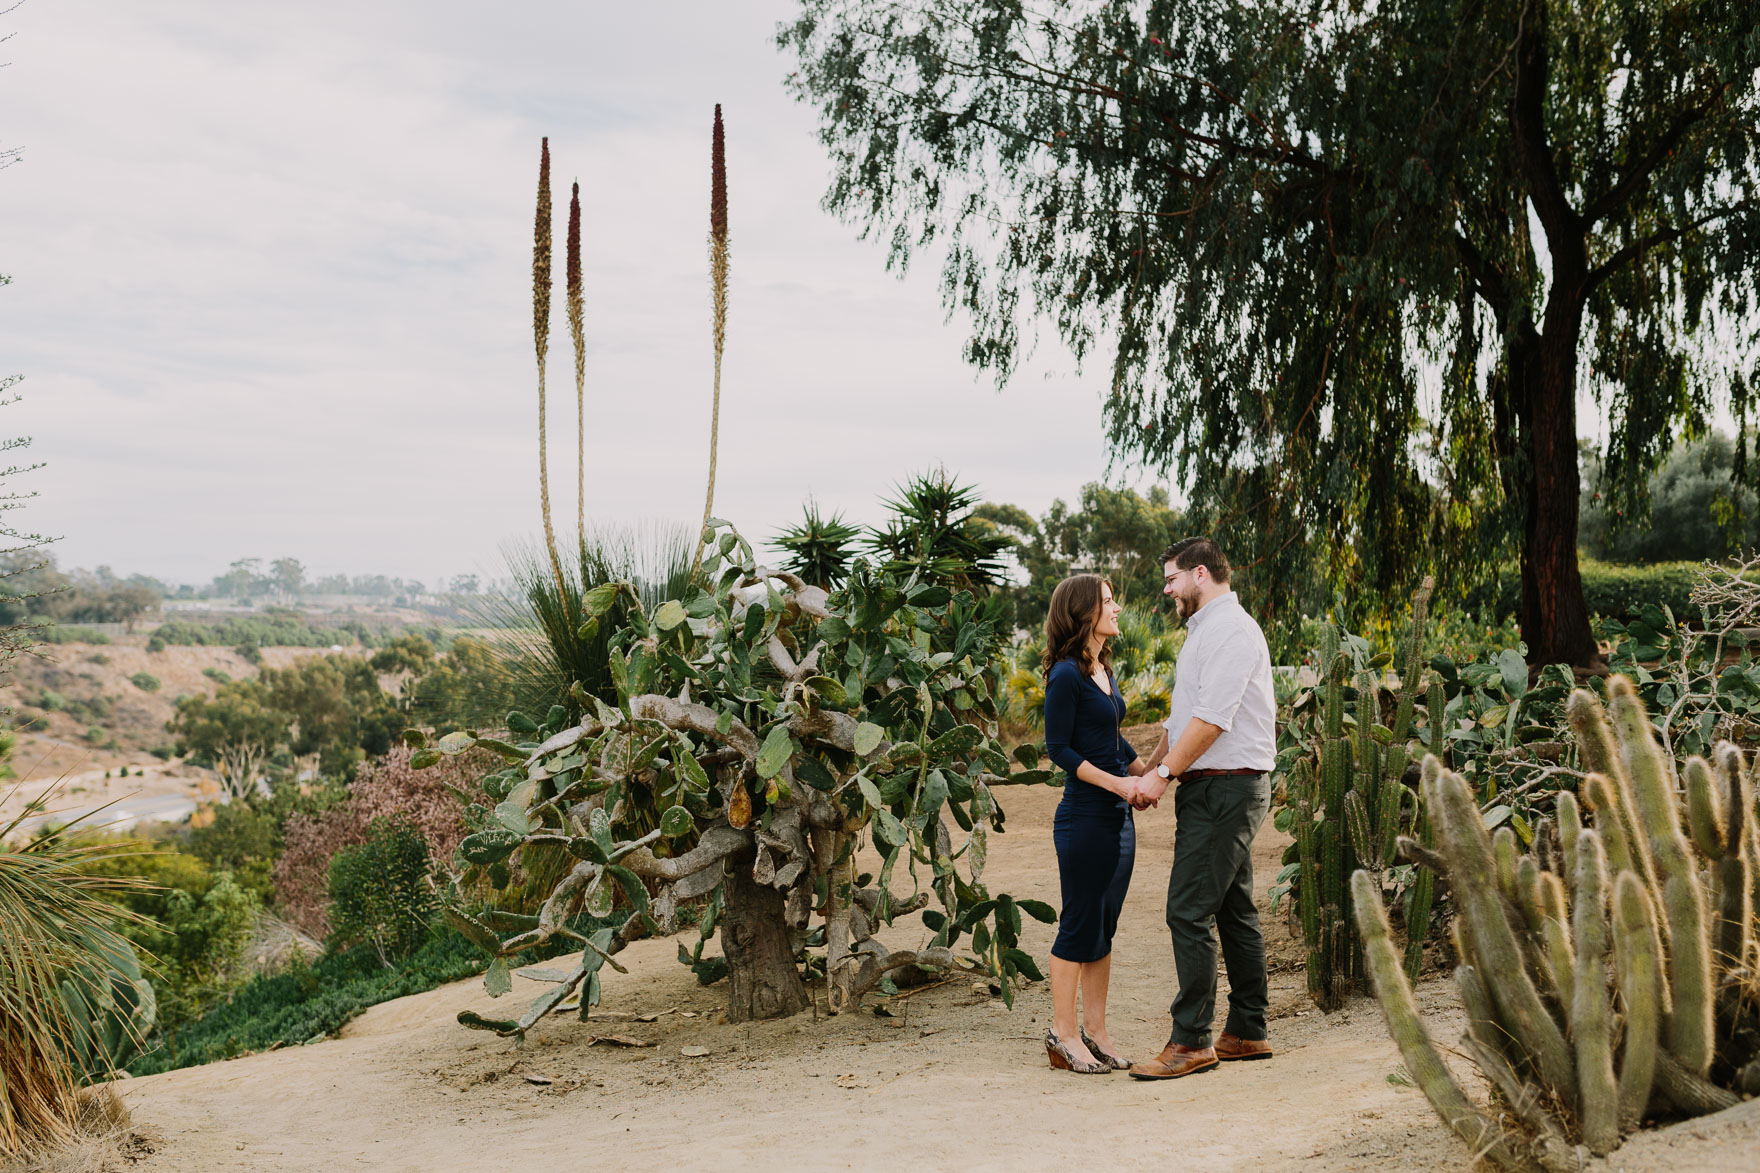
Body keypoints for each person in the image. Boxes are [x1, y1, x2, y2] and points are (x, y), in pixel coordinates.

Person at [1127, 537, 1278, 1081]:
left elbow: (1213, 721)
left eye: (1170, 579)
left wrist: (1163, 779)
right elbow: (1183, 721)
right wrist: (1151, 765)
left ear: (1199, 574)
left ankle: (1191, 1041)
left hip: (1226, 787)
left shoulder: (1232, 631)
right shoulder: (1203, 633)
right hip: (1215, 787)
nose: (1166, 589)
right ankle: (1246, 1031)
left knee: (1186, 910)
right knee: (1234, 909)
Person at [1039, 573, 1153, 1073]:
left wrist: (1141, 770)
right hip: (1084, 818)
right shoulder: (1064, 674)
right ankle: (1064, 1036)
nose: (1117, 608)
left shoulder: (1102, 667)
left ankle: (1097, 1032)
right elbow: (1060, 748)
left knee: (1103, 928)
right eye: (1108, 601)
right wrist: (1117, 784)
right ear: (1084, 611)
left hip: (1117, 819)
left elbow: (1108, 735)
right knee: (1079, 925)